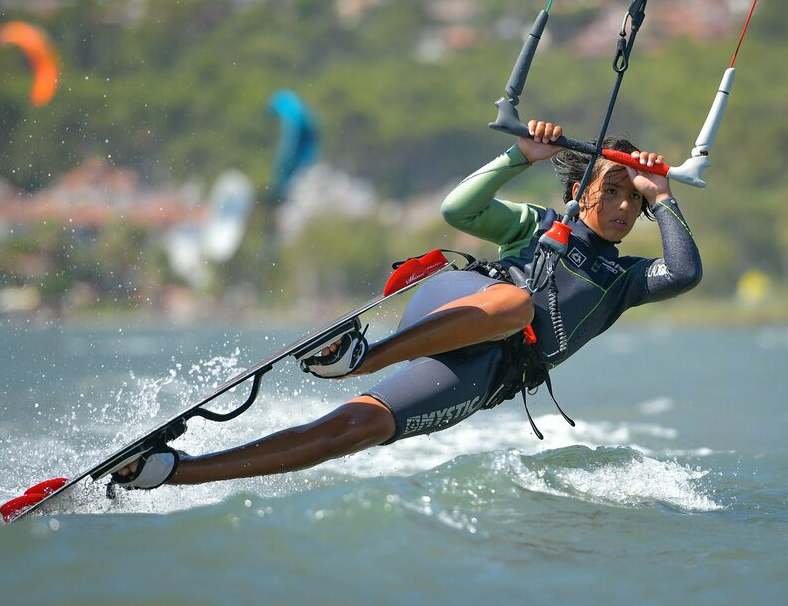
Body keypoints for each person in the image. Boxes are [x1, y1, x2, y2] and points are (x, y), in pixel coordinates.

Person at [112, 120, 702, 489]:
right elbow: (460, 211)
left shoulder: (623, 279)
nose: (625, 207)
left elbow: (683, 271)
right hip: (456, 306)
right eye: (613, 190)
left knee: (354, 429)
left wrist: (665, 196)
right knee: (518, 303)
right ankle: (362, 358)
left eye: (635, 199)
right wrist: (519, 156)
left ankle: (172, 472)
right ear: (579, 190)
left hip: (485, 371)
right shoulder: (538, 225)